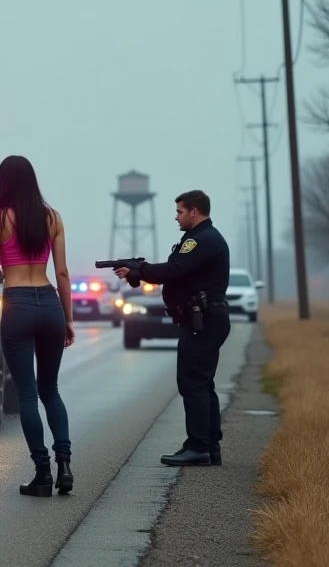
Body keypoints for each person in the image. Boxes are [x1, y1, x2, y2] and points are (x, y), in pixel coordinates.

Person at [0, 155, 76, 497]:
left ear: (2, 183)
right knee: (51, 390)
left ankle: (42, 473)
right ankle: (65, 465)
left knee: (27, 393)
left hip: (18, 305)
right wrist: (69, 318)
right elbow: (62, 273)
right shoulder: (52, 218)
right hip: (49, 305)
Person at [113, 190, 231, 467]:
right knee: (202, 383)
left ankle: (198, 447)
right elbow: (176, 270)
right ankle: (208, 445)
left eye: (179, 211)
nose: (175, 216)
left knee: (192, 383)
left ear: (194, 211)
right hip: (202, 320)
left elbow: (175, 270)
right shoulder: (198, 239)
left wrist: (139, 271)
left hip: (203, 321)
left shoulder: (202, 240)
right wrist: (137, 273)